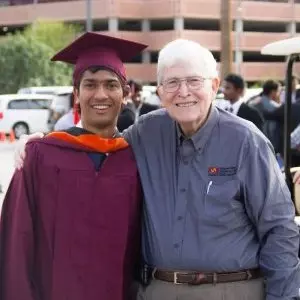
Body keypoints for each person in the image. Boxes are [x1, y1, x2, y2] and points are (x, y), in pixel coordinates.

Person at [14, 39, 300, 300]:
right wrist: (36, 143)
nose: (183, 92)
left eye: (193, 81)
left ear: (214, 86)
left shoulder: (245, 141)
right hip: (158, 291)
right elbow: (96, 149)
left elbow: (280, 228)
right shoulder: (146, 133)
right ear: (160, 92)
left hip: (231, 290)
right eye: (172, 82)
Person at [0, 32, 147, 300]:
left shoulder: (137, 161)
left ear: (125, 94)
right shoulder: (40, 157)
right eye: (90, 85)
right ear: (76, 95)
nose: (100, 94)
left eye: (111, 85)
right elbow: (15, 245)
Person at [252, 79, 282, 152]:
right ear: (272, 92)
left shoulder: (253, 102)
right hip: (269, 140)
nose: (279, 94)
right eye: (278, 91)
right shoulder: (275, 107)